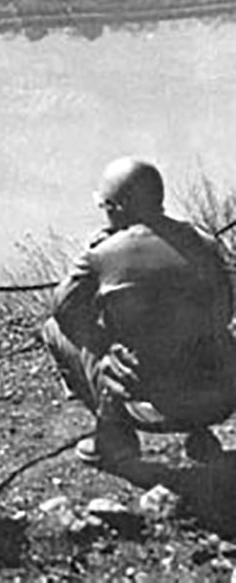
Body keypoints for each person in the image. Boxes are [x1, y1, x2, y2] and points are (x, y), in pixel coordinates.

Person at [43, 156, 236, 467]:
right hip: (220, 398)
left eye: (105, 206)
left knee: (54, 329)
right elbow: (225, 312)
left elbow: (63, 310)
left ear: (118, 209)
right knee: (198, 332)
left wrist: (106, 341)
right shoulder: (205, 242)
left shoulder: (101, 255)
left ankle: (113, 436)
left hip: (146, 408)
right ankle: (200, 435)